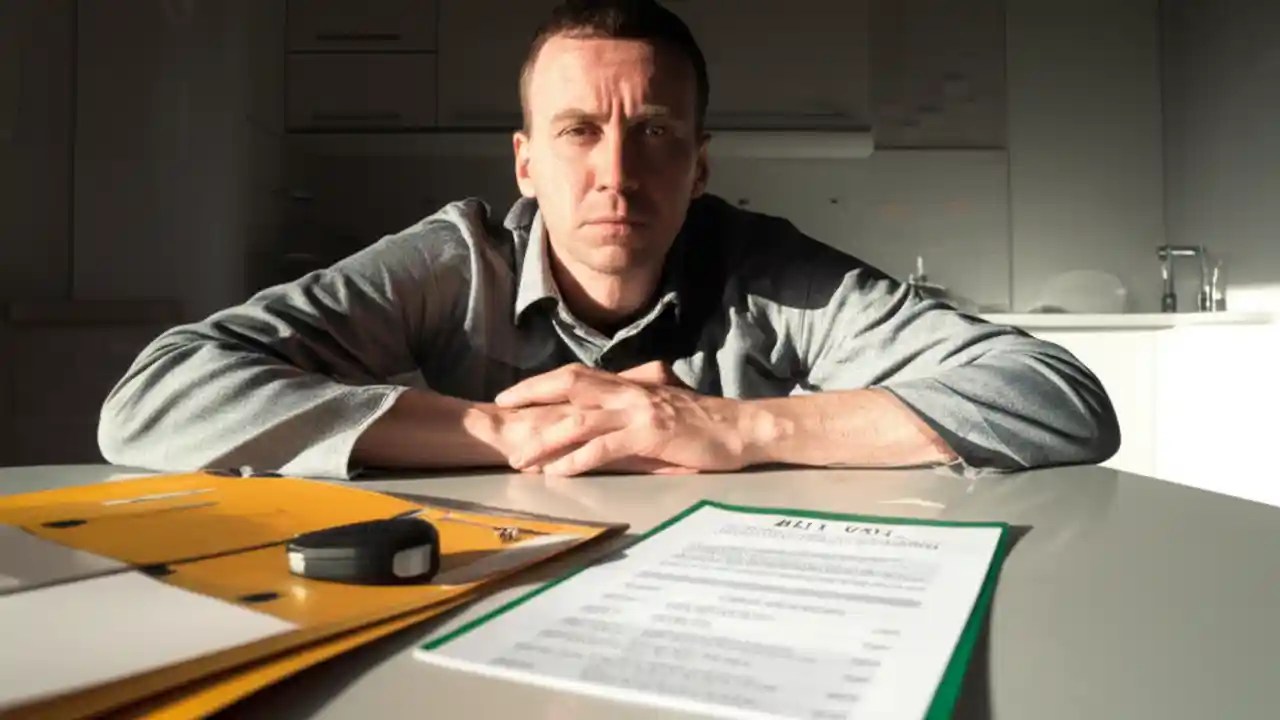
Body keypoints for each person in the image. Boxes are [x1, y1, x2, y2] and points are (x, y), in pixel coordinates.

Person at [97, 0, 1119, 480]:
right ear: (525, 163)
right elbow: (153, 398)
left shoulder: (765, 268)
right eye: (578, 132)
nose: (616, 174)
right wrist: (496, 433)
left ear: (699, 166)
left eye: (655, 135)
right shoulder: (454, 259)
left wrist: (731, 429)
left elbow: (1056, 397)